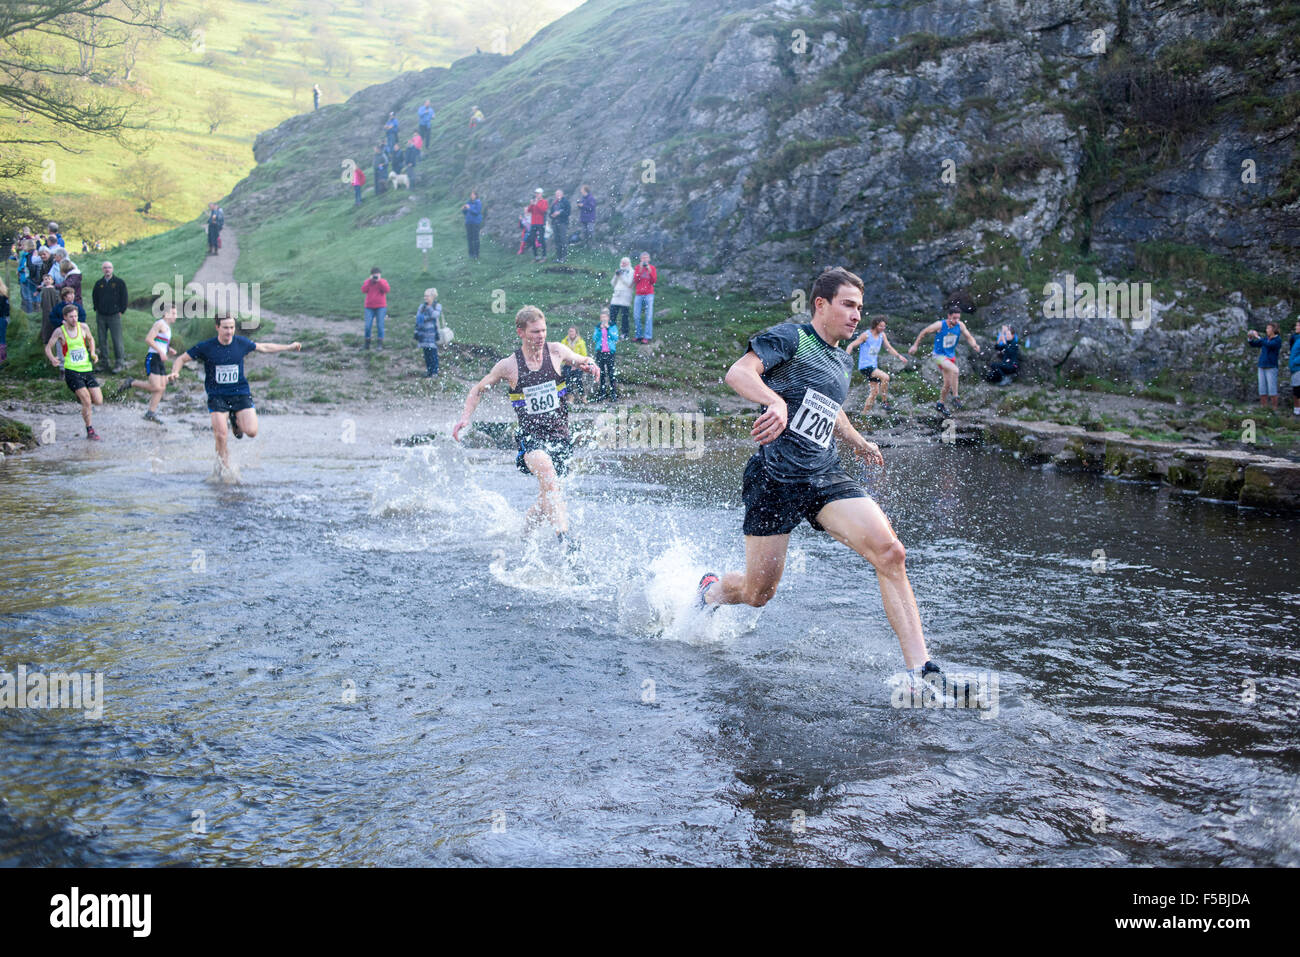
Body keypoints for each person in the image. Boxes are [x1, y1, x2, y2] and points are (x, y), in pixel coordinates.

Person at [696, 267, 960, 694]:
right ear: (821, 304)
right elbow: (738, 373)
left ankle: (921, 670)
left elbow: (830, 408)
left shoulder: (841, 358)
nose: (857, 315)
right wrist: (774, 401)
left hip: (823, 475)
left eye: (860, 307)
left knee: (891, 552)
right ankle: (709, 591)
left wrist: (859, 441)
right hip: (774, 480)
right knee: (759, 592)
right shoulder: (790, 338)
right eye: (848, 305)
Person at [451, 305, 599, 545]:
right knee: (549, 476)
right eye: (534, 332)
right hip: (531, 439)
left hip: (560, 437)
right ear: (521, 332)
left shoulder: (557, 351)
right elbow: (478, 389)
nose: (540, 336)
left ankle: (524, 535)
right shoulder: (509, 366)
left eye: (543, 331)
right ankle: (565, 538)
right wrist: (465, 418)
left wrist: (591, 365)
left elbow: (582, 359)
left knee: (547, 497)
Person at [168, 316, 302, 470]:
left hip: (240, 393)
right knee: (221, 436)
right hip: (217, 396)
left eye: (232, 327)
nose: (229, 331)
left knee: (251, 432)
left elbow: (264, 347)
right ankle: (224, 470)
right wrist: (175, 372)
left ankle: (234, 419)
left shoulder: (241, 343)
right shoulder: (206, 347)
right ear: (217, 327)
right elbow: (181, 359)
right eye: (225, 327)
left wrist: (289, 347)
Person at [44, 303, 104, 440]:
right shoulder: (60, 331)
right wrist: (53, 358)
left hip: (87, 369)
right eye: (71, 317)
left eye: (76, 316)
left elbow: (91, 339)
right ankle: (90, 430)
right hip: (72, 371)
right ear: (65, 317)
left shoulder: (83, 327)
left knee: (99, 401)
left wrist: (93, 352)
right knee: (87, 401)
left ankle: (82, 398)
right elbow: (48, 348)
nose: (74, 319)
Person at [908, 304, 981, 416]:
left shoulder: (960, 325)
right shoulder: (939, 325)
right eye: (954, 318)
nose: (956, 320)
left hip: (950, 356)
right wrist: (915, 345)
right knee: (956, 371)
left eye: (958, 318)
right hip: (939, 356)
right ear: (949, 316)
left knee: (947, 384)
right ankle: (956, 397)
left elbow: (968, 336)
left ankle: (940, 404)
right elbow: (924, 332)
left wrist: (974, 345)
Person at [114, 306, 178, 424]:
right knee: (156, 387)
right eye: (174, 313)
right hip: (152, 357)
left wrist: (169, 349)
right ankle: (131, 382)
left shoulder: (168, 327)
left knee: (162, 387)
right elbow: (148, 339)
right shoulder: (159, 324)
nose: (176, 316)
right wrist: (160, 351)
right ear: (166, 313)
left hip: (160, 358)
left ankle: (150, 413)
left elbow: (160, 342)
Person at [845, 317, 908, 413]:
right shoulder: (866, 335)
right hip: (865, 366)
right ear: (875, 325)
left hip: (873, 366)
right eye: (881, 326)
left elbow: (889, 348)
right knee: (885, 377)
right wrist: (845, 359)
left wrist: (899, 356)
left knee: (874, 393)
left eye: (884, 326)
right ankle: (884, 401)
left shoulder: (882, 335)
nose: (883, 328)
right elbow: (851, 345)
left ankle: (864, 414)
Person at [92, 260, 128, 372]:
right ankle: (104, 363)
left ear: (112, 269)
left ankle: (120, 363)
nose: (107, 269)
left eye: (109, 267)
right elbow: (95, 297)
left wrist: (121, 310)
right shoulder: (99, 283)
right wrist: (96, 308)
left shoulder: (119, 282)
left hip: (114, 315)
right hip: (101, 315)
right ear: (102, 270)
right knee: (102, 340)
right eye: (105, 268)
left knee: (117, 339)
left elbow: (124, 297)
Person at [1246, 323, 1282, 409]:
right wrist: (1250, 338)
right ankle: (1263, 407)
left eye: (1268, 328)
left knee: (1272, 388)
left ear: (1274, 330)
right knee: (1262, 388)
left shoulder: (1277, 340)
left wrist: (1258, 336)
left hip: (1271, 366)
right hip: (1262, 365)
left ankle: (1274, 408)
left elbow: (1269, 345)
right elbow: (1254, 344)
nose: (1267, 330)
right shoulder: (1265, 339)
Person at [591, 307, 618, 401]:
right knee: (601, 374)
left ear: (608, 318)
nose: (603, 319)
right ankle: (602, 393)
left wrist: (608, 328)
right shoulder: (598, 327)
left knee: (611, 374)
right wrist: (599, 330)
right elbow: (595, 338)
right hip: (600, 352)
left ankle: (613, 394)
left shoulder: (612, 326)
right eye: (602, 317)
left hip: (610, 353)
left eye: (605, 317)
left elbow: (615, 338)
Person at [414, 288, 442, 377]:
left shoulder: (437, 306)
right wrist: (416, 331)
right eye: (424, 296)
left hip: (432, 335)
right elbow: (418, 319)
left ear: (433, 296)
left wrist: (429, 309)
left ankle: (435, 372)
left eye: (427, 296)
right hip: (423, 334)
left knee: (433, 353)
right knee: (426, 354)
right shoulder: (421, 306)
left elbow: (435, 315)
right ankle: (429, 371)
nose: (425, 298)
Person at [361, 267, 390, 350]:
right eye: (374, 275)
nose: (376, 276)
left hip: (381, 307)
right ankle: (367, 344)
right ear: (371, 275)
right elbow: (363, 290)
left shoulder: (383, 281)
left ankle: (379, 344)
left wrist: (379, 281)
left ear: (380, 275)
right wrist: (369, 282)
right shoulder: (368, 281)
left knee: (380, 325)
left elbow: (387, 290)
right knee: (367, 326)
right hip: (369, 307)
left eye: (377, 275)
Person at [633, 251, 656, 343]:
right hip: (639, 294)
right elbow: (635, 280)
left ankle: (647, 336)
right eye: (643, 258)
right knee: (636, 315)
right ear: (640, 259)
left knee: (649, 315)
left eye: (646, 258)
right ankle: (638, 335)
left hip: (649, 294)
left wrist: (650, 271)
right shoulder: (637, 268)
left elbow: (653, 281)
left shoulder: (652, 268)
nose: (645, 260)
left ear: (649, 259)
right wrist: (640, 270)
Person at [562, 324, 588, 402]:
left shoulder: (581, 342)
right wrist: (569, 363)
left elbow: (584, 355)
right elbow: (562, 355)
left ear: (576, 333)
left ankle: (583, 396)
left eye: (572, 331)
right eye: (570, 331)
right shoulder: (564, 342)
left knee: (578, 380)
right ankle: (570, 396)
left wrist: (577, 364)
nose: (571, 333)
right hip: (568, 364)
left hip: (578, 365)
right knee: (567, 379)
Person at [610, 256, 634, 338]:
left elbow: (629, 283)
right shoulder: (619, 271)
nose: (623, 264)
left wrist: (621, 276)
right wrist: (616, 275)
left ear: (628, 263)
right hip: (616, 296)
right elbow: (613, 283)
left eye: (625, 262)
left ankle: (625, 334)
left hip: (625, 297)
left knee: (624, 317)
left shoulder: (631, 271)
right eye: (622, 262)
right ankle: (612, 333)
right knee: (612, 316)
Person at [38, 275, 61, 350]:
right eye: (45, 279)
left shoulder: (55, 290)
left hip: (54, 310)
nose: (47, 280)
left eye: (49, 279)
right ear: (43, 281)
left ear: (52, 281)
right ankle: (47, 340)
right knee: (47, 324)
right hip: (46, 311)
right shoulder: (43, 291)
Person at [549, 188, 571, 264]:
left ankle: (564, 258)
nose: (557, 195)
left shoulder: (566, 202)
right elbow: (550, 213)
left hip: (562, 223)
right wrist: (552, 215)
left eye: (558, 194)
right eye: (556, 194)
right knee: (557, 241)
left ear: (562, 194)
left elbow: (568, 212)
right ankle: (558, 257)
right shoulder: (554, 203)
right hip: (555, 223)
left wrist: (559, 213)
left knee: (563, 240)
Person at [526, 188, 548, 262]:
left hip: (540, 223)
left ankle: (544, 256)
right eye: (536, 193)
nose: (536, 195)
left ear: (541, 194)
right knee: (532, 239)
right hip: (533, 223)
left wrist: (536, 204)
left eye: (538, 193)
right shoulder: (534, 202)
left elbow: (543, 211)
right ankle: (536, 256)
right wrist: (531, 204)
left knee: (541, 240)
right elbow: (529, 211)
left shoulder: (544, 201)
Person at [462, 190, 483, 259]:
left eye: (472, 195)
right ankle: (471, 254)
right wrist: (464, 209)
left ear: (476, 195)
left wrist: (469, 208)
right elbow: (465, 213)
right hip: (468, 223)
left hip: (475, 223)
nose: (471, 196)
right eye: (470, 195)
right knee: (469, 238)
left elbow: (477, 212)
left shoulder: (478, 203)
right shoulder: (469, 202)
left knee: (476, 238)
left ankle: (476, 254)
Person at [1289, 319, 1300, 417]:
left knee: (1298, 390)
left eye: (1298, 326)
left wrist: (1296, 361)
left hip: (1298, 368)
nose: (1296, 328)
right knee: (1296, 390)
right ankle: (1296, 410)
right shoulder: (1296, 338)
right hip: (1294, 368)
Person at [0, 277, 8, 364]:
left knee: (2, 339)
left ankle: (2, 358)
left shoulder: (3, 295)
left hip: (1, 318)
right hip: (2, 318)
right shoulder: (4, 294)